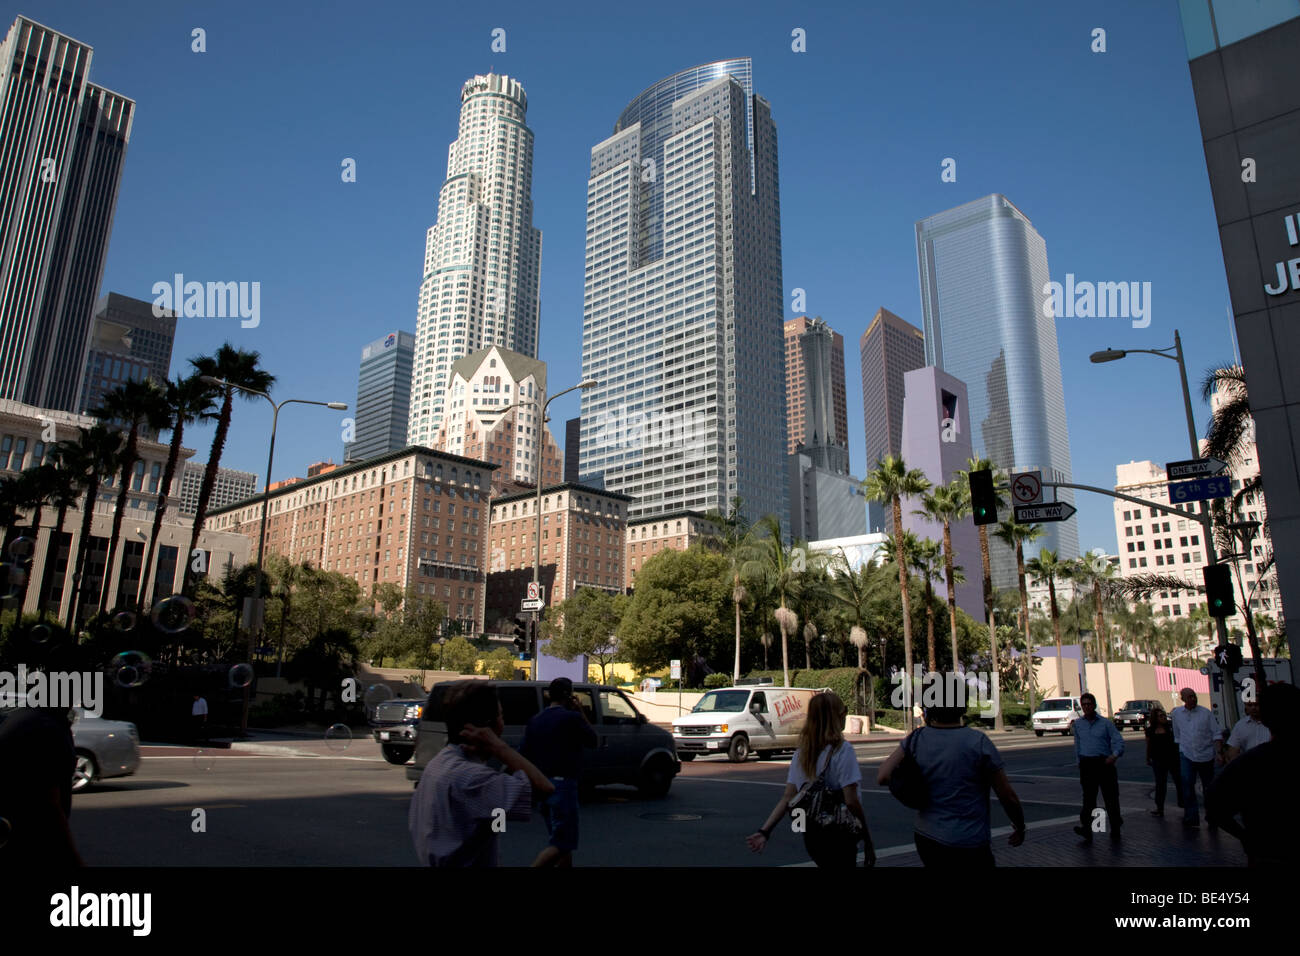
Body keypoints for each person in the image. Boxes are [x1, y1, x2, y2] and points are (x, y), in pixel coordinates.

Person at [409, 681, 554, 866]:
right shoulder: (472, 778)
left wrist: (492, 824)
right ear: (486, 728)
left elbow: (494, 820)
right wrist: (500, 748)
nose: (504, 722)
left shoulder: (439, 764)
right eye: (501, 716)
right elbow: (544, 788)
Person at [877, 703, 1025, 866]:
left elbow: (883, 775)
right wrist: (1019, 825)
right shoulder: (978, 741)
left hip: (928, 836)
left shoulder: (917, 739)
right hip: (970, 839)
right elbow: (1006, 795)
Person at [747, 693, 875, 867]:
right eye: (844, 711)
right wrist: (867, 839)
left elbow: (788, 797)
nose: (845, 715)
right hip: (839, 834)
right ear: (836, 717)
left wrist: (765, 831)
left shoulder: (802, 753)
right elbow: (851, 801)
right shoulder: (842, 750)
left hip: (813, 834)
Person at [1206, 682, 1300, 866]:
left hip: (1269, 853)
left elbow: (1214, 804)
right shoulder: (1249, 758)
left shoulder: (1250, 764)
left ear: (1265, 718)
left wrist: (1246, 838)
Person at [520, 677, 597, 867]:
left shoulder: (535, 720)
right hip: (563, 787)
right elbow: (593, 740)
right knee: (563, 843)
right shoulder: (572, 718)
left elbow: (524, 753)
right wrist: (580, 711)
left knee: (559, 839)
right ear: (568, 696)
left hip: (541, 785)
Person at [0, 706, 83, 867]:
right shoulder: (47, 728)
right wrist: (73, 859)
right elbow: (49, 804)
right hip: (30, 839)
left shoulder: (20, 717)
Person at [1071, 692, 1125, 842]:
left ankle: (1115, 828)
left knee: (1110, 798)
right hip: (1087, 765)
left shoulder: (1105, 723)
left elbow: (1119, 741)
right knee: (1089, 800)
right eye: (1084, 705)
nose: (1087, 707)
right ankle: (1088, 830)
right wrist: (1079, 761)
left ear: (1094, 705)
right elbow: (1078, 745)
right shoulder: (1078, 724)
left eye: (1089, 704)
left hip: (1104, 763)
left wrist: (1114, 756)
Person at [1170, 687, 1223, 829]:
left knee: (1209, 787)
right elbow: (1178, 735)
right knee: (1187, 786)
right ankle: (1191, 817)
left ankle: (1212, 816)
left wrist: (1218, 752)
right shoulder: (1177, 715)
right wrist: (1181, 750)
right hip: (1186, 754)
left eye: (1194, 696)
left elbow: (1216, 733)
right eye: (1189, 697)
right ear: (1183, 699)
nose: (1193, 699)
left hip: (1205, 754)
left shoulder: (1206, 713)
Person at [1144, 704, 1182, 817]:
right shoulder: (1150, 730)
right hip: (1158, 759)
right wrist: (1148, 757)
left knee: (1179, 781)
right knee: (1160, 783)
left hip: (1172, 758)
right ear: (1155, 718)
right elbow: (1148, 744)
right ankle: (1159, 807)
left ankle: (1182, 802)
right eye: (1160, 716)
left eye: (1164, 715)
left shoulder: (1170, 728)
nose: (1163, 718)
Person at [1225, 698, 1271, 762]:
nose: (1253, 708)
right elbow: (1233, 750)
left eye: (1256, 704)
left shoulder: (1272, 723)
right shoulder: (1240, 725)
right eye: (1250, 705)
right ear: (1245, 706)